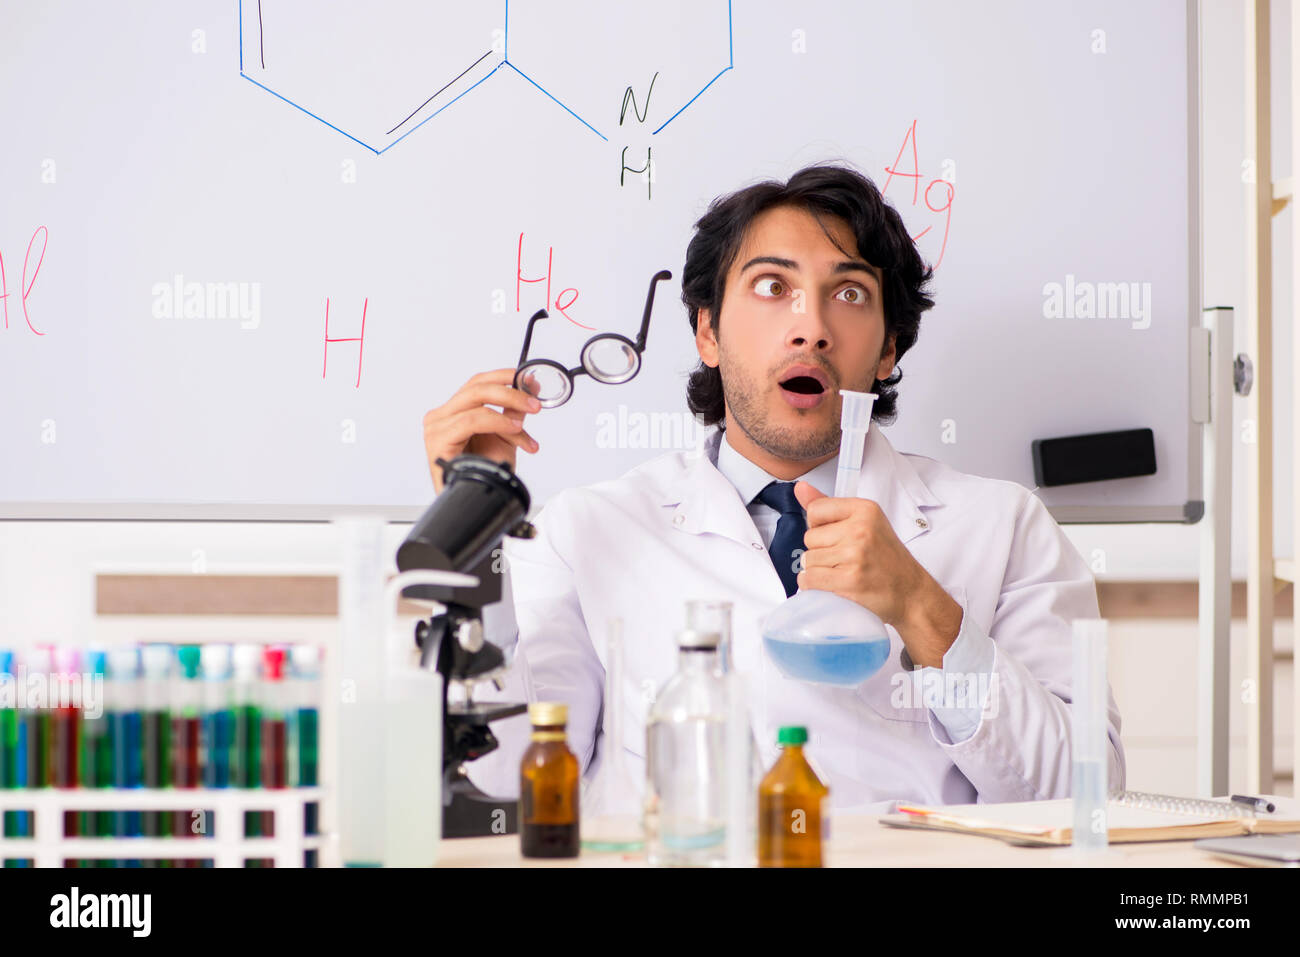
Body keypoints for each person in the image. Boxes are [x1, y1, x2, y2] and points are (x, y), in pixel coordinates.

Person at [421, 163, 1124, 812]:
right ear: (708, 332)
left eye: (848, 293)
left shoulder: (1002, 526)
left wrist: (922, 608)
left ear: (887, 349)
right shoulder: (587, 531)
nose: (811, 328)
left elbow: (1088, 793)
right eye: (771, 287)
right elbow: (504, 781)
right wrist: (471, 538)